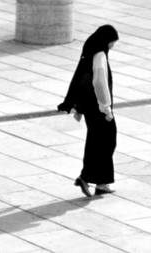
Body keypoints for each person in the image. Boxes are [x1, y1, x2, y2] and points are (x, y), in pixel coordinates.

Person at [58, 25, 119, 197]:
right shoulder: (99, 55)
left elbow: (82, 79)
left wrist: (80, 107)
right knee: (107, 142)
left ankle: (99, 181)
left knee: (96, 142)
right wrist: (106, 107)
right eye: (113, 42)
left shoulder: (91, 51)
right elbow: (99, 82)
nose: (113, 45)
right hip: (99, 108)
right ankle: (91, 179)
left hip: (91, 107)